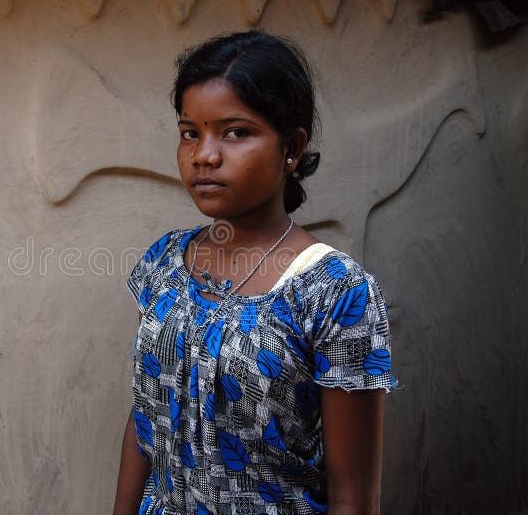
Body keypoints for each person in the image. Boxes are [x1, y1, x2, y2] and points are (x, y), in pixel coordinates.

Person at [113, 30, 397, 515]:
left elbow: (353, 493)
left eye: (235, 132)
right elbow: (145, 424)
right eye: (189, 132)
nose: (204, 154)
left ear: (291, 148)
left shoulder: (335, 292)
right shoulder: (164, 262)